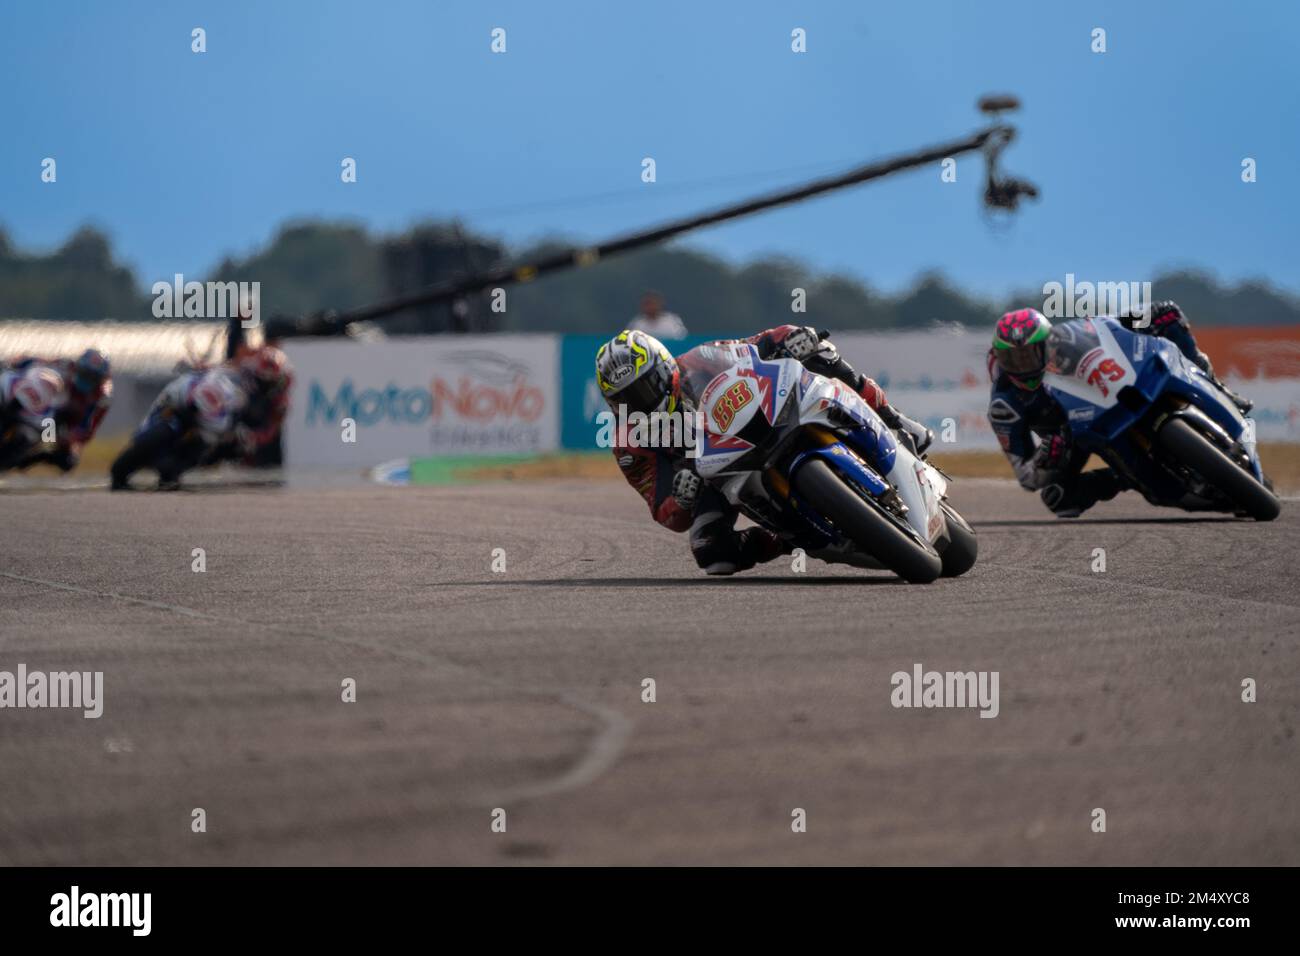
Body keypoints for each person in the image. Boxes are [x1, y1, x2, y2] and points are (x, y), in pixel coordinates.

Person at [595, 326, 933, 575]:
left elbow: (756, 345)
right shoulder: (630, 445)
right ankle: (787, 537)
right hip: (714, 475)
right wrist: (680, 499)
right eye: (625, 399)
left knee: (819, 353)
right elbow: (662, 509)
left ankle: (896, 420)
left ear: (665, 369)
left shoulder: (700, 360)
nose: (638, 403)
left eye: (643, 388)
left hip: (764, 418)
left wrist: (794, 338)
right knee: (712, 554)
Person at [986, 301, 1252, 517]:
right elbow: (1026, 476)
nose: (1021, 365)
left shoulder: (1066, 337)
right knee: (1059, 498)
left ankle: (1216, 385)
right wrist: (1046, 459)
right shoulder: (1004, 405)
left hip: (1107, 396)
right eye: (1012, 359)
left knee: (1168, 314)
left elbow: (1107, 326)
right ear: (1000, 357)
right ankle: (1124, 478)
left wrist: (1148, 316)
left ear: (1047, 343)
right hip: (1068, 435)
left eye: (1029, 354)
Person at [0, 349, 112, 471]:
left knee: (66, 459)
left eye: (93, 377)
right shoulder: (59, 370)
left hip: (42, 419)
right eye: (85, 373)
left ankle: (21, 459)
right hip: (14, 398)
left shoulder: (100, 399)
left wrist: (65, 438)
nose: (88, 379)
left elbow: (84, 432)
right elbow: (25, 362)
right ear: (77, 368)